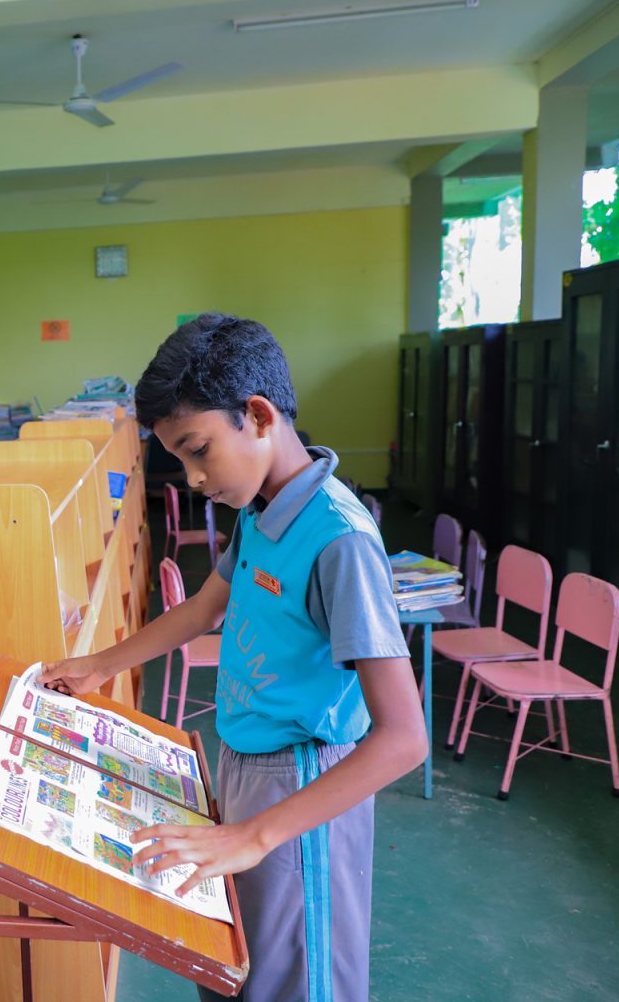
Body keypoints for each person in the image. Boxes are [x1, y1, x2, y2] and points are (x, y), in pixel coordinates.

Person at [44, 313, 426, 1002]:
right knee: (236, 972)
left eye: (199, 451)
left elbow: (404, 737)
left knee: (293, 982)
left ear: (257, 415)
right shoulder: (260, 511)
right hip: (245, 765)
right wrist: (100, 665)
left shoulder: (338, 539)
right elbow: (203, 609)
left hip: (302, 785)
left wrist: (254, 837)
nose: (193, 479)